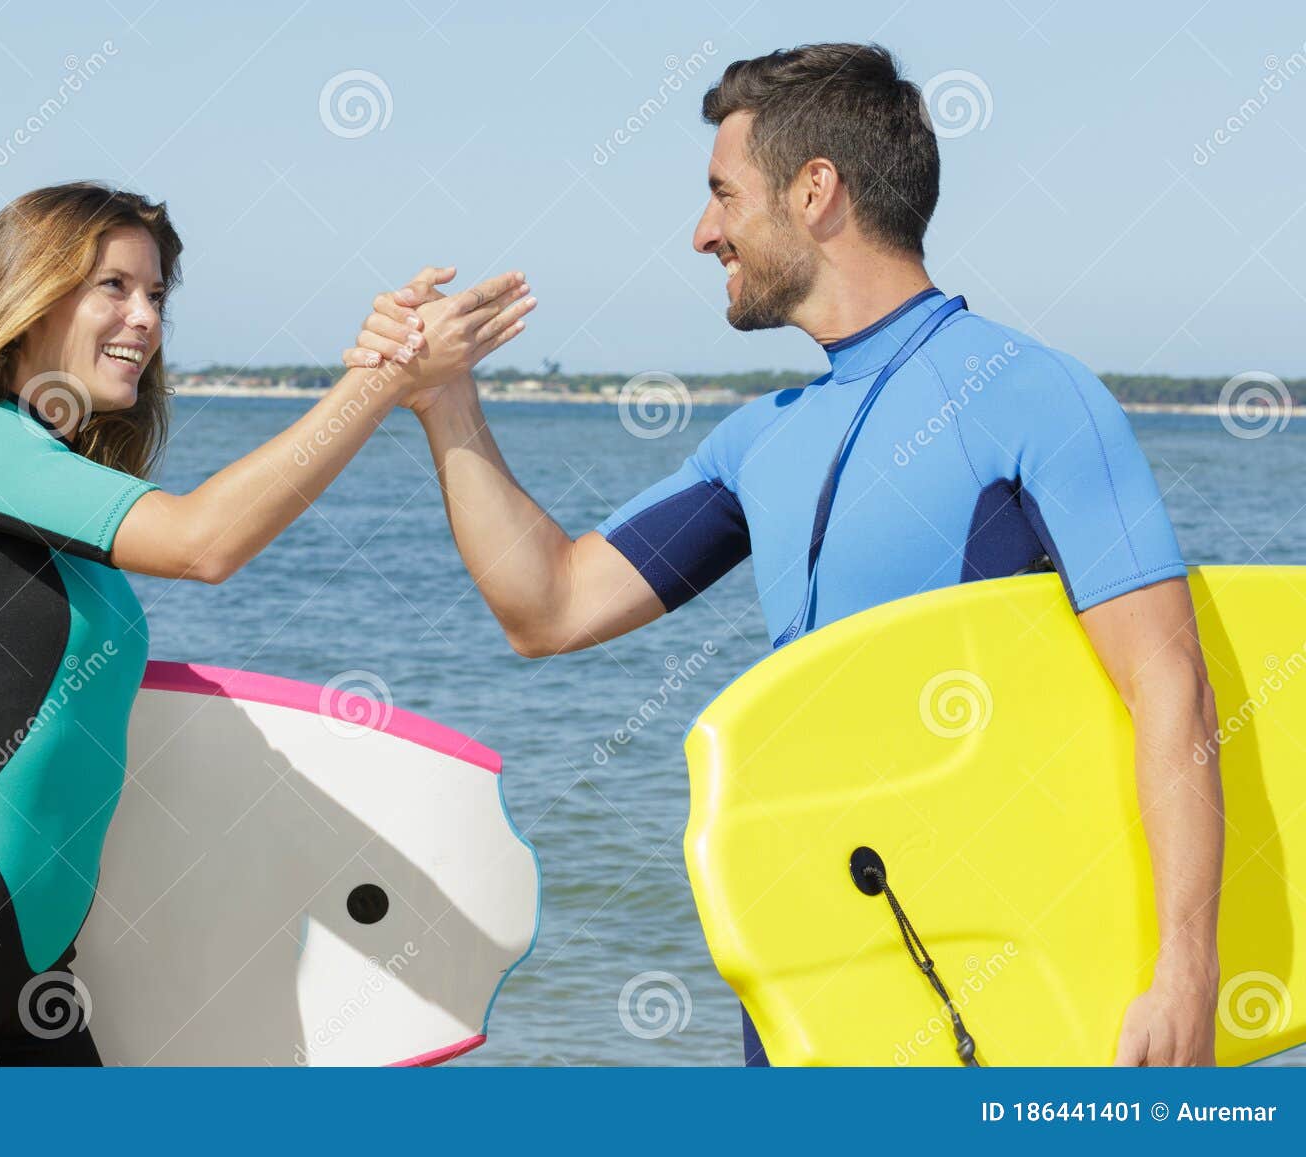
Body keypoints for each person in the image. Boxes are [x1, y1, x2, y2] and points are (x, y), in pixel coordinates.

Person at [345, 44, 1224, 1067]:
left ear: (815, 191)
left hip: (1007, 983)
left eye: (722, 194)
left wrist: (1186, 973)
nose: (701, 231)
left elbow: (1170, 685)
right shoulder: (763, 436)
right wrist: (443, 402)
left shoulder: (1032, 397)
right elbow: (547, 605)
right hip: (816, 977)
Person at [0, 180, 534, 1066]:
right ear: (26, 298)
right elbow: (203, 542)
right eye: (113, 286)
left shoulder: (46, 487)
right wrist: (384, 379)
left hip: (31, 985)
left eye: (156, 295)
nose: (143, 318)